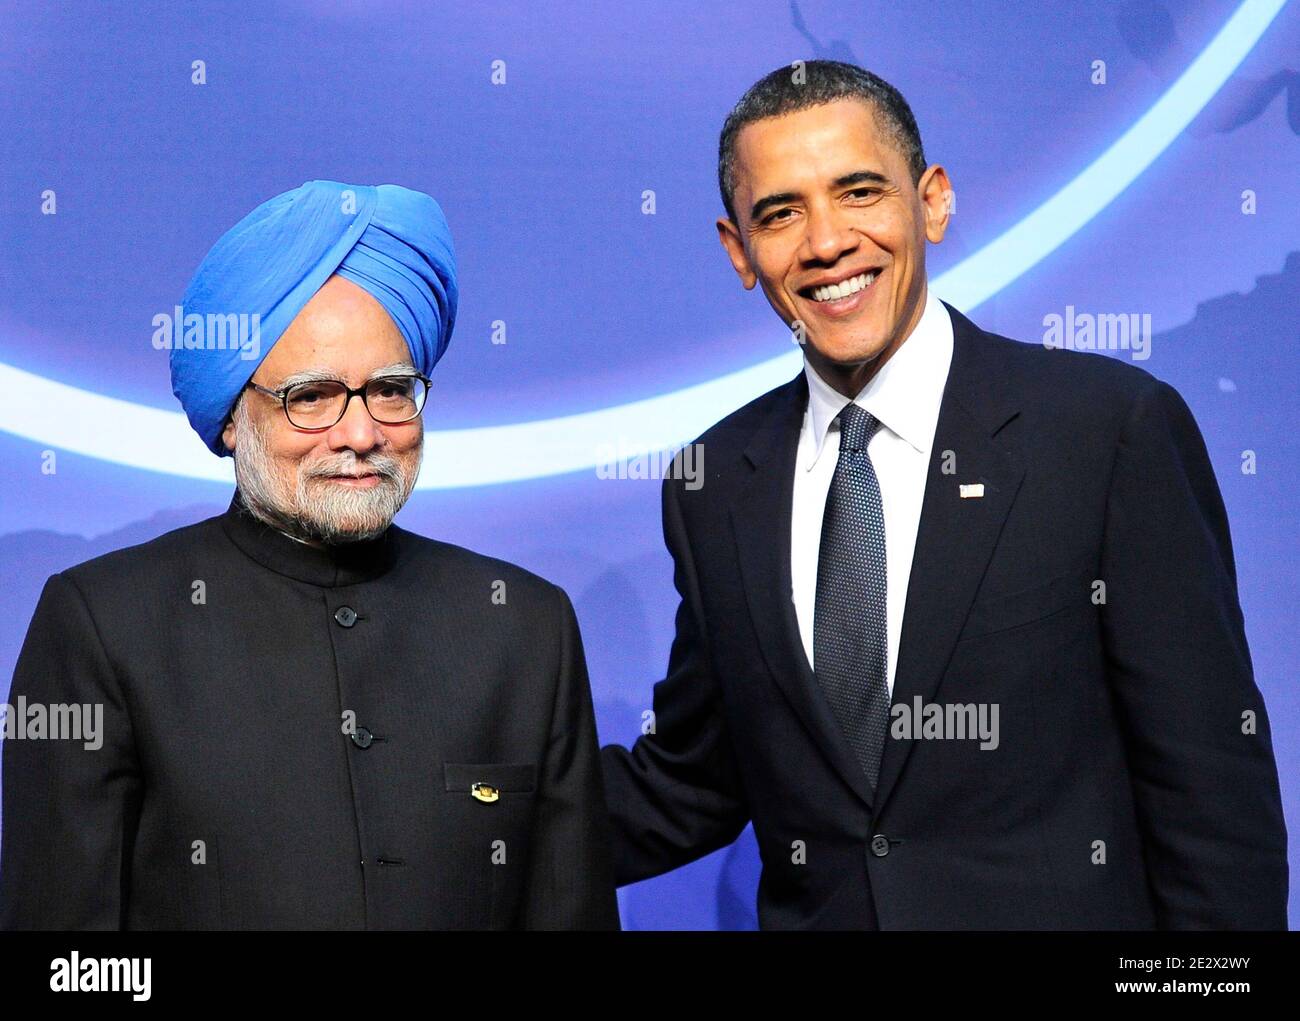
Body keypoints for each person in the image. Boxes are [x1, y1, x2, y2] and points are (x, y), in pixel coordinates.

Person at [600, 62, 1288, 929]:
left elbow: (1211, 792)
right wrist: (460, 815)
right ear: (739, 251)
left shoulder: (1105, 431)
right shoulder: (714, 482)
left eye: (858, 192)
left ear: (932, 201)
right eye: (780, 213)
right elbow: (696, 779)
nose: (825, 242)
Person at [0, 180, 618, 930]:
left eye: (391, 390)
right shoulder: (105, 625)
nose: (360, 433)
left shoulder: (524, 627)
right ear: (233, 416)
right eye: (313, 396)